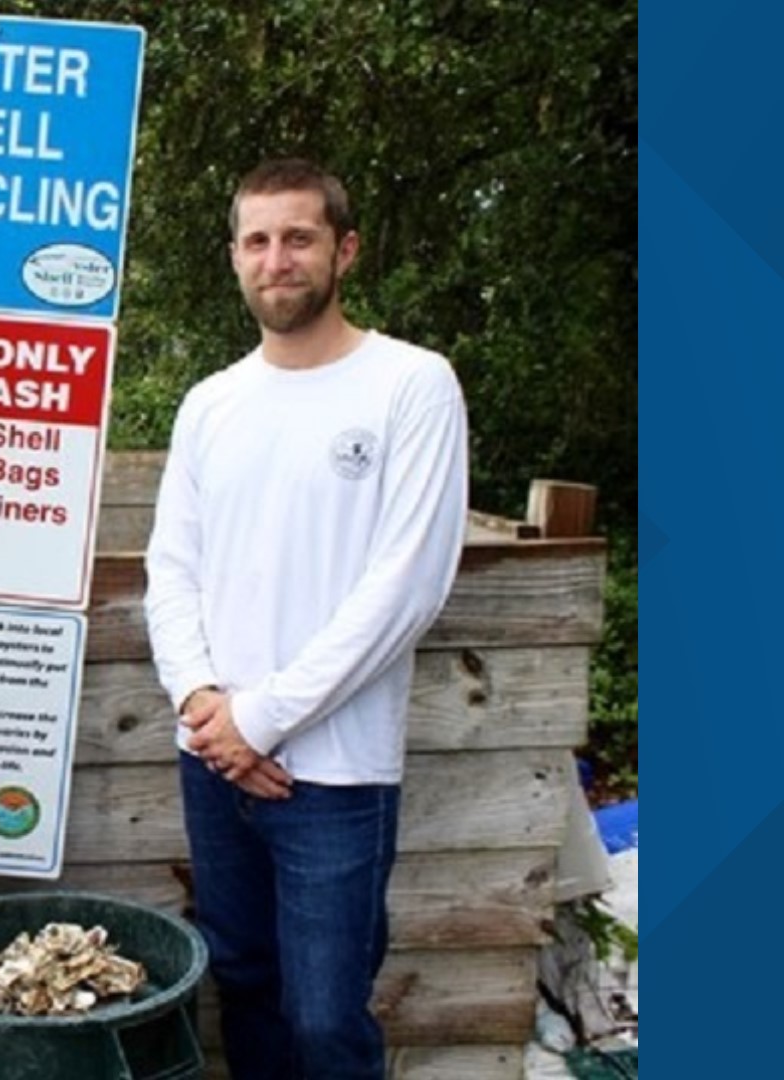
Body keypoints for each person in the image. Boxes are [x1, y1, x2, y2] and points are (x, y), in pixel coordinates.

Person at [144, 159, 470, 1079]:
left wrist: (260, 718)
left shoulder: (412, 385)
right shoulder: (211, 404)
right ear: (234, 258)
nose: (276, 259)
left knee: (326, 1019)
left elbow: (407, 586)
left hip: (338, 773)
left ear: (345, 249)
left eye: (299, 237)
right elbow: (172, 570)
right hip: (214, 761)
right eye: (257, 240)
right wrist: (204, 704)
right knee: (244, 985)